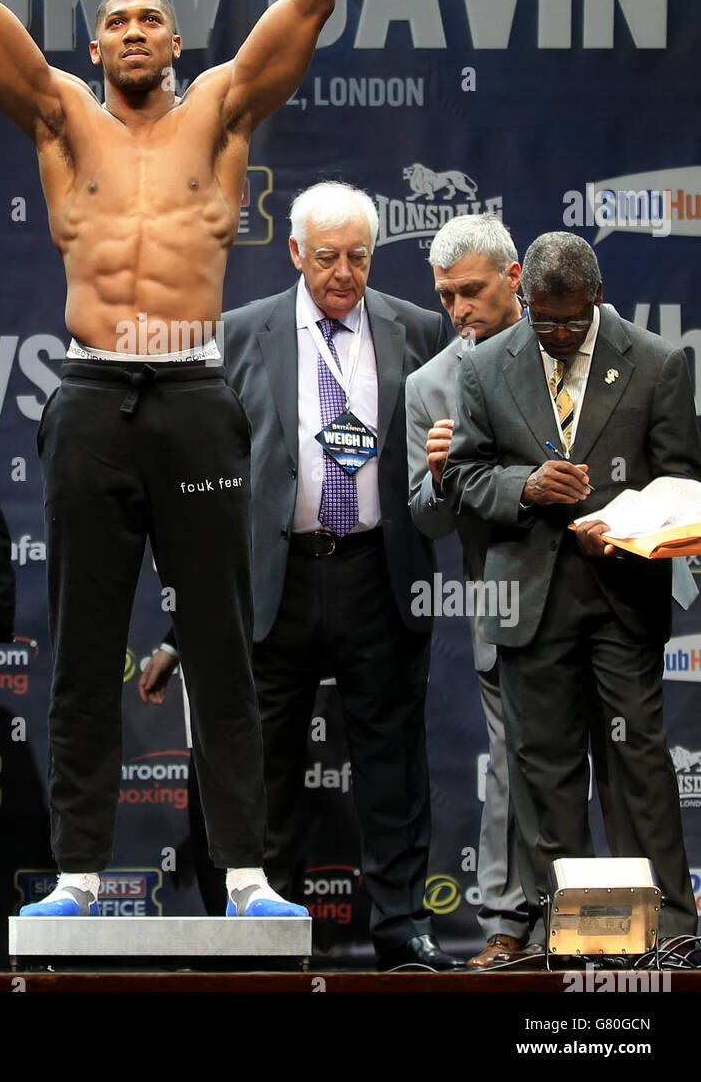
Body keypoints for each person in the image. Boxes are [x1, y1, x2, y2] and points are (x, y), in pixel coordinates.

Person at [0, 0, 336, 919]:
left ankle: (252, 877)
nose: (129, 30)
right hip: (92, 395)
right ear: (91, 44)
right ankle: (74, 876)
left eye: (148, 17)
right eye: (112, 17)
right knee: (81, 643)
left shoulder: (222, 110)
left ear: (176, 43)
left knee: (219, 639)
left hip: (197, 393)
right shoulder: (62, 118)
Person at [222, 181, 460, 968]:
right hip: (274, 577)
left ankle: (401, 926)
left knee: (391, 762)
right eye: (327, 257)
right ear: (295, 253)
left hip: (377, 570)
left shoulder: (418, 329)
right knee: (264, 762)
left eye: (359, 256)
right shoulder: (240, 334)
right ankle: (269, 930)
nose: (344, 273)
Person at [441, 232, 699, 941]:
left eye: (571, 320)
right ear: (525, 300)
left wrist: (623, 521)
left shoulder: (656, 362)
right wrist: (524, 486)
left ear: (598, 297)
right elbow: (461, 477)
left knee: (638, 763)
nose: (556, 333)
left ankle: (671, 931)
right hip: (530, 600)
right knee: (544, 772)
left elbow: (684, 483)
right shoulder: (488, 365)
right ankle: (572, 931)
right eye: (543, 318)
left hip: (623, 595)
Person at [405, 213, 539, 969]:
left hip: (593, 589)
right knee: (509, 761)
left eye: (473, 291)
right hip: (500, 597)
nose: (459, 310)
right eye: (447, 296)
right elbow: (426, 518)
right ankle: (505, 926)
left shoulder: (567, 354)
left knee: (617, 758)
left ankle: (615, 921)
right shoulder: (430, 385)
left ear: (514, 278)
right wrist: (437, 472)